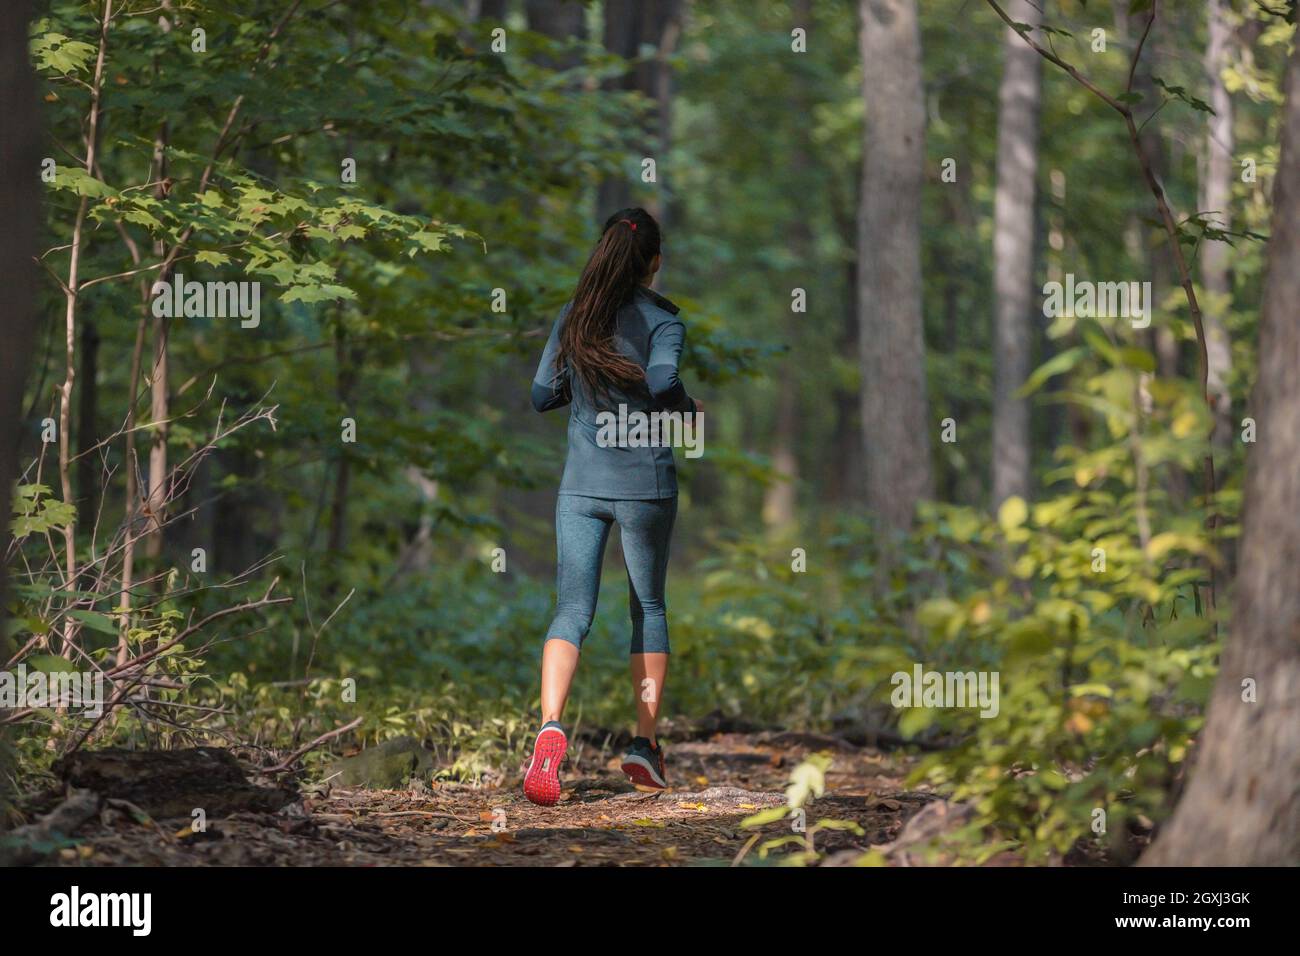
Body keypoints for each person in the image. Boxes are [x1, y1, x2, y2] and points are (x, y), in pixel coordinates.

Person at [522, 207, 700, 806]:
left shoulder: (576, 316)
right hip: (644, 486)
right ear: (654, 263)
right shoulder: (663, 322)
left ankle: (549, 729)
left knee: (572, 610)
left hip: (580, 486)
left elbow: (542, 395)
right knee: (647, 605)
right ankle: (644, 745)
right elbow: (662, 381)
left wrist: (586, 379)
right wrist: (689, 409)